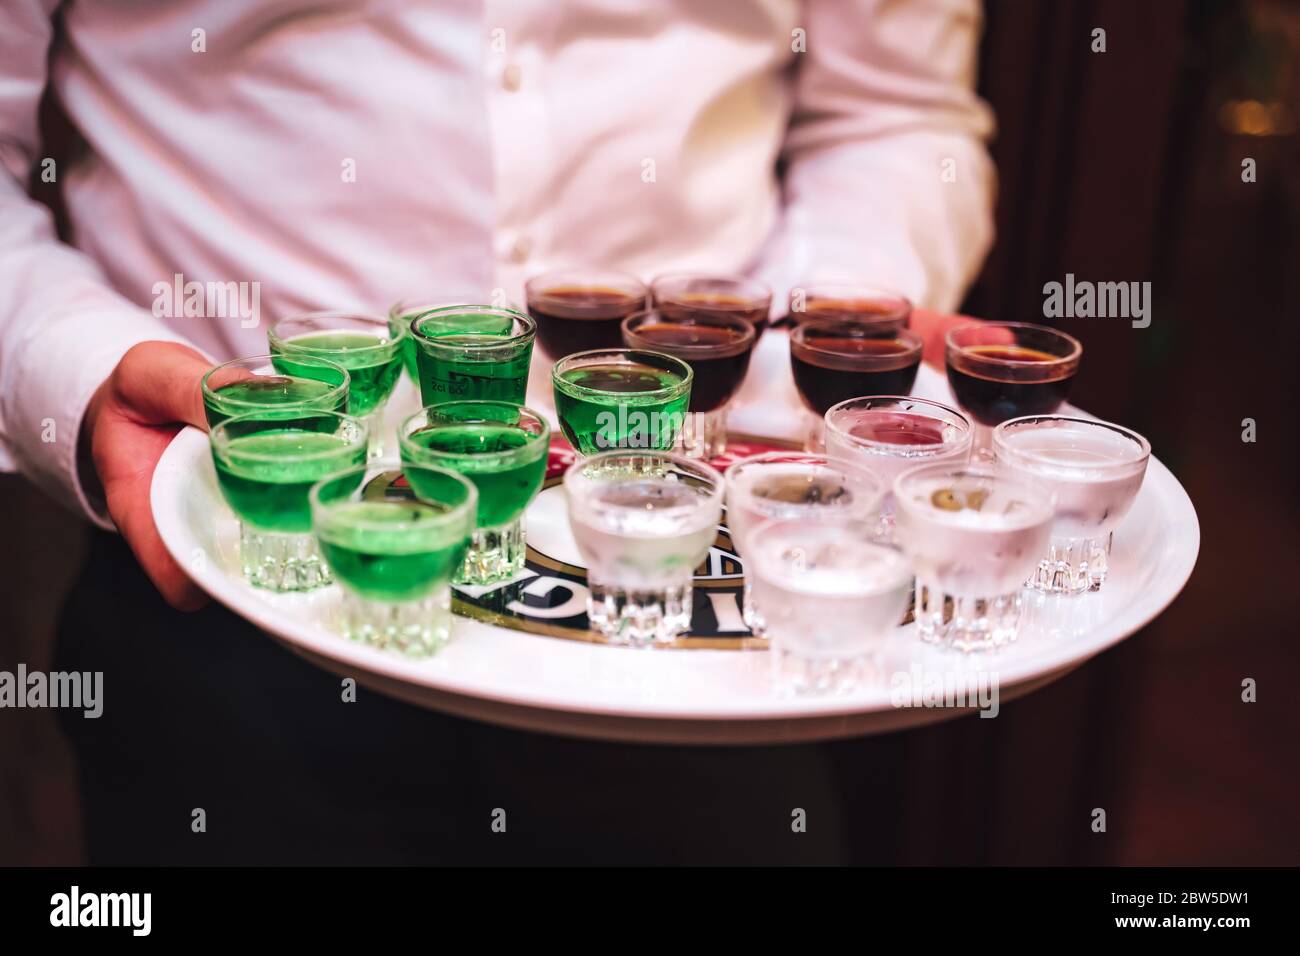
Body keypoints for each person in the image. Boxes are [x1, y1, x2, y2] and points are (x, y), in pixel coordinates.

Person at [0, 1, 995, 863]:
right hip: (242, 562)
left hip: (702, 608)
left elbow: (890, 109)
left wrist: (833, 326)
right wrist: (80, 368)